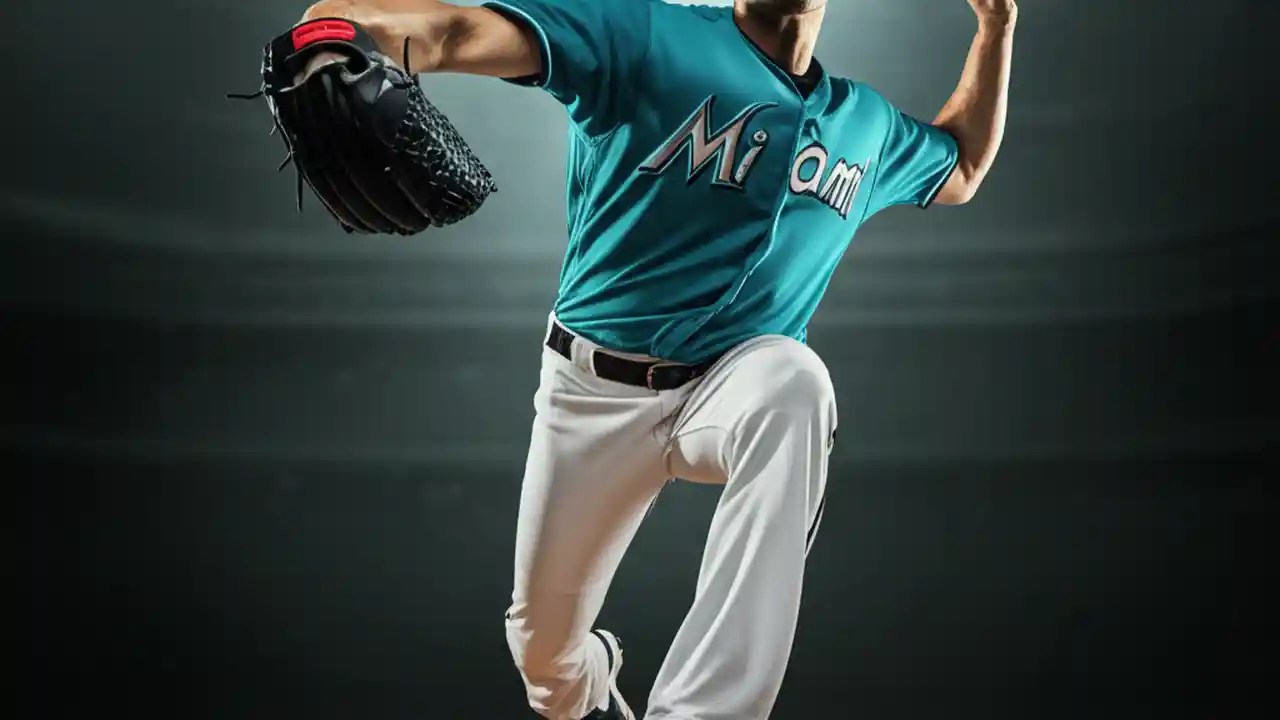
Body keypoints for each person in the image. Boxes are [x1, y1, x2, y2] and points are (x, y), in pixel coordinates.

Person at [296, 0, 1016, 717]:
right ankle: (589, 681)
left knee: (796, 383)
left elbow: (962, 165)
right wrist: (331, 32)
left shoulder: (864, 125)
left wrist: (997, 28)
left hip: (731, 387)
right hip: (593, 391)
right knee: (544, 659)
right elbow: (455, 30)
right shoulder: (644, 36)